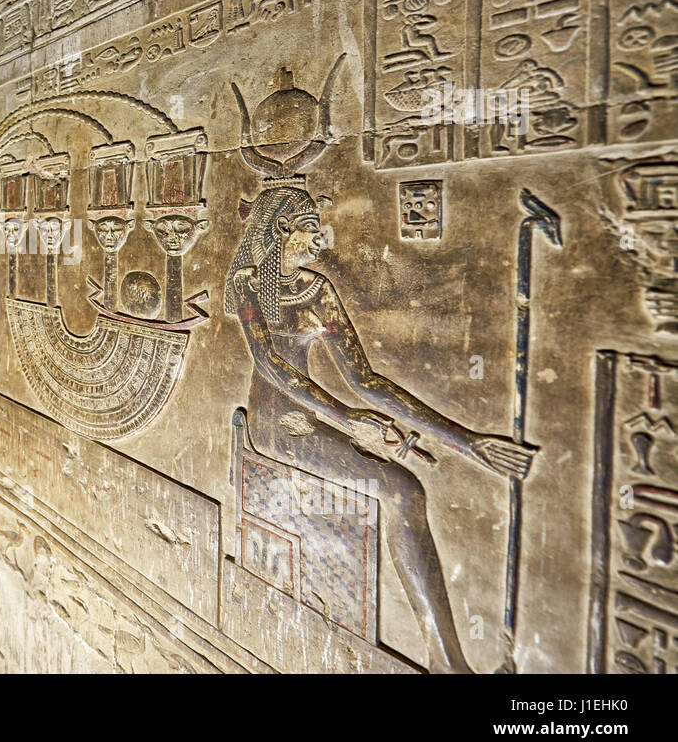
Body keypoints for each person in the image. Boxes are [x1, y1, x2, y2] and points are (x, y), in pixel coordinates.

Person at [226, 183, 537, 673]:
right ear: (282, 229)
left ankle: (442, 658)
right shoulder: (248, 284)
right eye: (311, 231)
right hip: (276, 423)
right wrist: (348, 420)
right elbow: (269, 366)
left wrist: (466, 441)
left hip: (316, 417)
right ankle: (448, 665)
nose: (319, 243)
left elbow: (364, 380)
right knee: (401, 490)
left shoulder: (317, 290)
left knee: (405, 487)